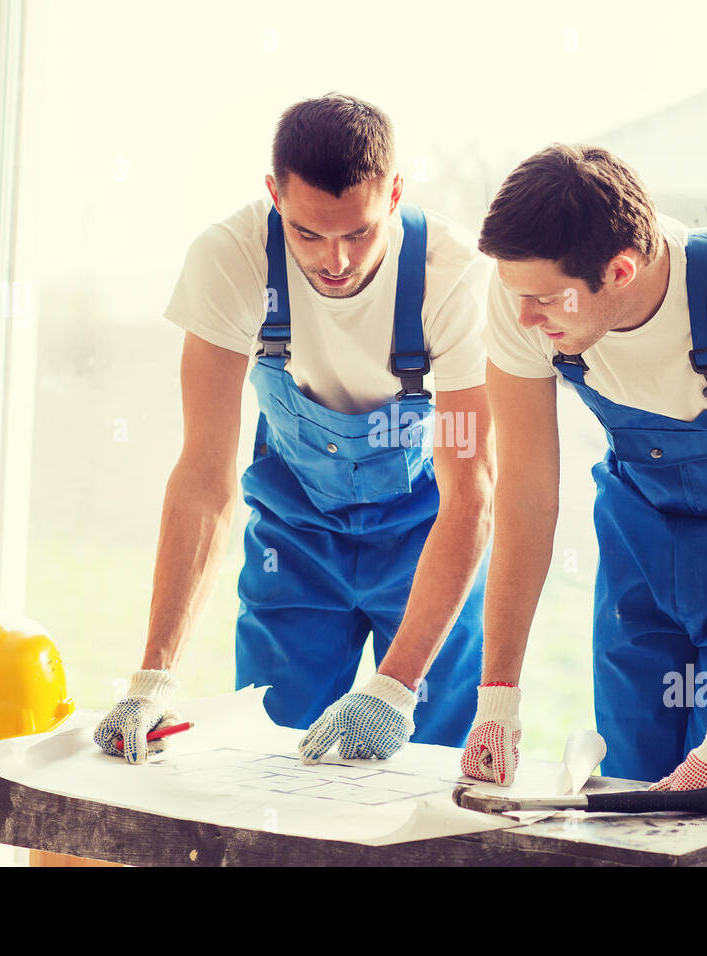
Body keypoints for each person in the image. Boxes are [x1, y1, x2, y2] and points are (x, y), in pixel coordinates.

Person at [93, 94, 494, 765]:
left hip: (429, 537)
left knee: (432, 769)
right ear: (274, 196)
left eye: (358, 233)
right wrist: (153, 678)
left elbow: (472, 492)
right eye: (309, 234)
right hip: (296, 541)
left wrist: (395, 688)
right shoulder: (231, 259)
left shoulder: (451, 280)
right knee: (275, 758)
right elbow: (204, 477)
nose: (335, 261)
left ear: (394, 194)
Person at [460, 144, 707, 810]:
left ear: (620, 271)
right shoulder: (523, 302)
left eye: (544, 301)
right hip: (642, 531)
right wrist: (496, 701)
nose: (524, 319)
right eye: (513, 294)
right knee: (632, 789)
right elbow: (525, 499)